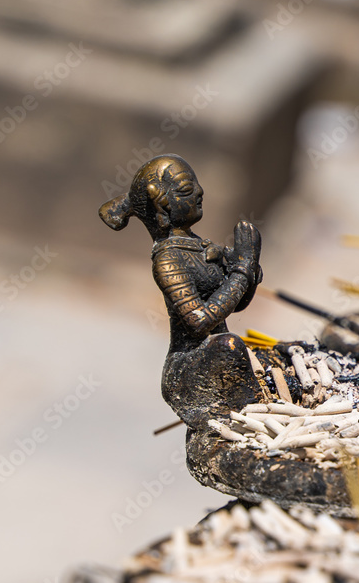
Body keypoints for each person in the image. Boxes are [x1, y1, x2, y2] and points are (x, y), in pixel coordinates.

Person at [99, 154, 261, 426]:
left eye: (195, 185)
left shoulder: (197, 246)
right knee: (230, 345)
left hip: (215, 353)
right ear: (162, 205)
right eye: (187, 190)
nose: (200, 192)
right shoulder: (167, 259)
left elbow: (237, 303)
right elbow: (200, 321)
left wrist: (248, 265)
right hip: (188, 367)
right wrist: (242, 270)